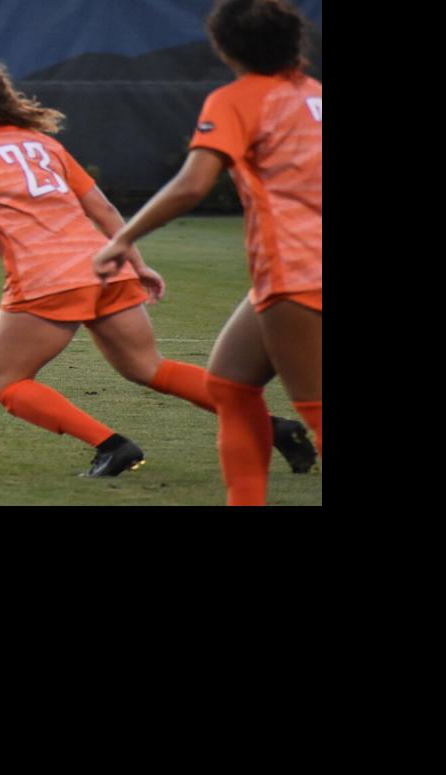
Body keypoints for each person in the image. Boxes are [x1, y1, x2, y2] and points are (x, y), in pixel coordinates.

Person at [0, 54, 309, 478]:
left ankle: (113, 447)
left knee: (7, 383)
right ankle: (273, 427)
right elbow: (103, 209)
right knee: (148, 367)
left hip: (48, 278)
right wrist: (135, 261)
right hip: (105, 266)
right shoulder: (40, 143)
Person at [94, 0, 322, 505]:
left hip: (298, 268)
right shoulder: (314, 96)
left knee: (316, 409)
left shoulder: (237, 98)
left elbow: (192, 184)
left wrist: (122, 239)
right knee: (230, 385)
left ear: (224, 46)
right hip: (297, 270)